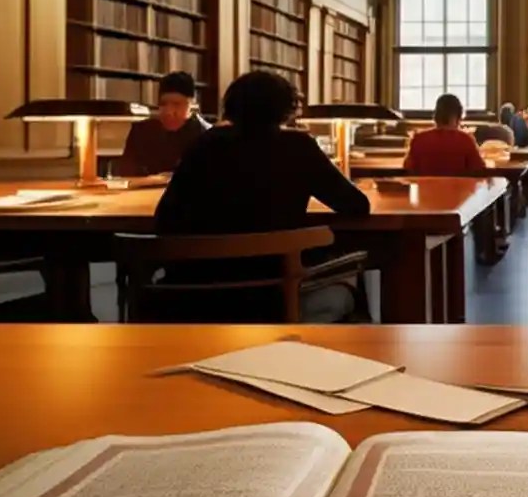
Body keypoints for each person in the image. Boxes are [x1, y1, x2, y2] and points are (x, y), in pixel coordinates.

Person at [153, 70, 371, 322]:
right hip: (276, 295)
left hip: (196, 297)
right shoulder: (298, 147)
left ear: (230, 106)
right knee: (352, 275)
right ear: (286, 109)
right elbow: (356, 205)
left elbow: (164, 221)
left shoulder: (203, 145)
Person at [119, 71, 210, 176]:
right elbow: (126, 174)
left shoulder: (206, 136)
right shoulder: (141, 132)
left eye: (177, 104)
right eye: (163, 104)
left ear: (192, 105)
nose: (169, 112)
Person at [404, 93, 487, 176]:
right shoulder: (466, 140)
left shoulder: (419, 139)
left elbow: (407, 169)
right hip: (459, 188)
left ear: (436, 115)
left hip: (428, 188)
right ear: (459, 115)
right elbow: (479, 170)